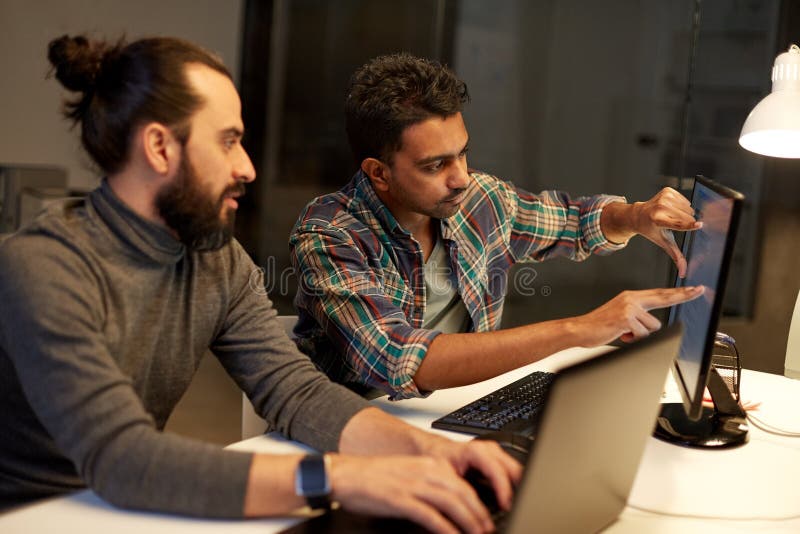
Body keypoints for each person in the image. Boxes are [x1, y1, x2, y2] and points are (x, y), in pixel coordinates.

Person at [0, 35, 518, 534]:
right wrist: (342, 478)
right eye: (228, 141)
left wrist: (430, 450)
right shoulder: (43, 266)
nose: (246, 167)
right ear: (159, 147)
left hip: (125, 509)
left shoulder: (215, 261)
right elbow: (122, 458)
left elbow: (296, 391)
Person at [289, 53, 704, 400]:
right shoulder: (328, 235)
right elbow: (401, 359)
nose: (461, 178)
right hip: (354, 431)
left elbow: (576, 222)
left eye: (462, 155)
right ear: (379, 173)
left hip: (459, 409)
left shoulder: (481, 200)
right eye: (436, 165)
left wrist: (634, 216)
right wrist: (579, 329)